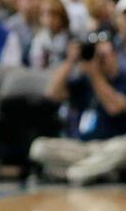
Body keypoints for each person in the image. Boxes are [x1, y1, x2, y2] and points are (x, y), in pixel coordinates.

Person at [30, 33, 126, 185]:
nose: (98, 60)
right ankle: (95, 171)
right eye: (96, 56)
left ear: (115, 55)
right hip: (81, 148)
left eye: (103, 56)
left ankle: (72, 173)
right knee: (39, 147)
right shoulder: (83, 81)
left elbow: (113, 107)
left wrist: (94, 74)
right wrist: (71, 61)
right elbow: (52, 93)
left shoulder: (122, 80)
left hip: (110, 145)